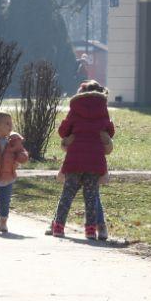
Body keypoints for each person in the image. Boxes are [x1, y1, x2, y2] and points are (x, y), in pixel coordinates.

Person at [48, 80, 115, 240]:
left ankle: (58, 226)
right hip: (94, 160)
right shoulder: (102, 108)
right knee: (91, 197)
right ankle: (91, 230)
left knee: (67, 195)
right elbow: (110, 131)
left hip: (75, 160)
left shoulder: (75, 108)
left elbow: (63, 131)